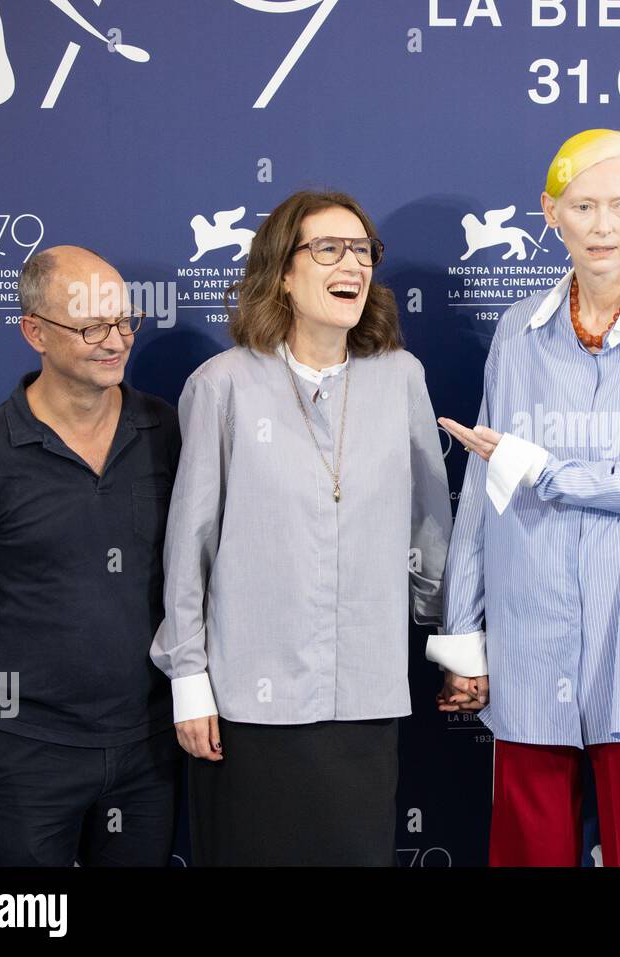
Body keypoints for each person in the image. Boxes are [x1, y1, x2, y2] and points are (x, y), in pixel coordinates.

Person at [428, 129, 620, 867]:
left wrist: (544, 466)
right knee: (527, 852)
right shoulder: (518, 333)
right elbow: (484, 485)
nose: (602, 224)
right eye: (584, 205)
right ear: (550, 212)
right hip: (531, 637)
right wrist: (464, 633)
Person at [150, 190, 451, 866]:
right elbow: (189, 545)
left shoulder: (401, 378)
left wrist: (451, 632)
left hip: (366, 699)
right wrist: (189, 676)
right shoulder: (221, 385)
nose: (352, 264)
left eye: (362, 250)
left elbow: (431, 520)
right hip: (248, 703)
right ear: (282, 271)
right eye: (328, 249)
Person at [0, 245, 181, 866]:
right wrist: (7, 642)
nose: (115, 340)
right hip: (26, 752)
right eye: (91, 325)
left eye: (124, 320)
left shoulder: (166, 430)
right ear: (34, 331)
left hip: (149, 745)